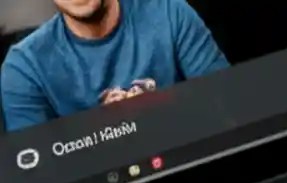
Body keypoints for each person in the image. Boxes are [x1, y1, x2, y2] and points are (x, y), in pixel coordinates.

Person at [1, 0, 229, 132]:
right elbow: (39, 176)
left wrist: (153, 107)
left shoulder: (170, 12)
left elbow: (229, 109)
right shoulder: (24, 68)